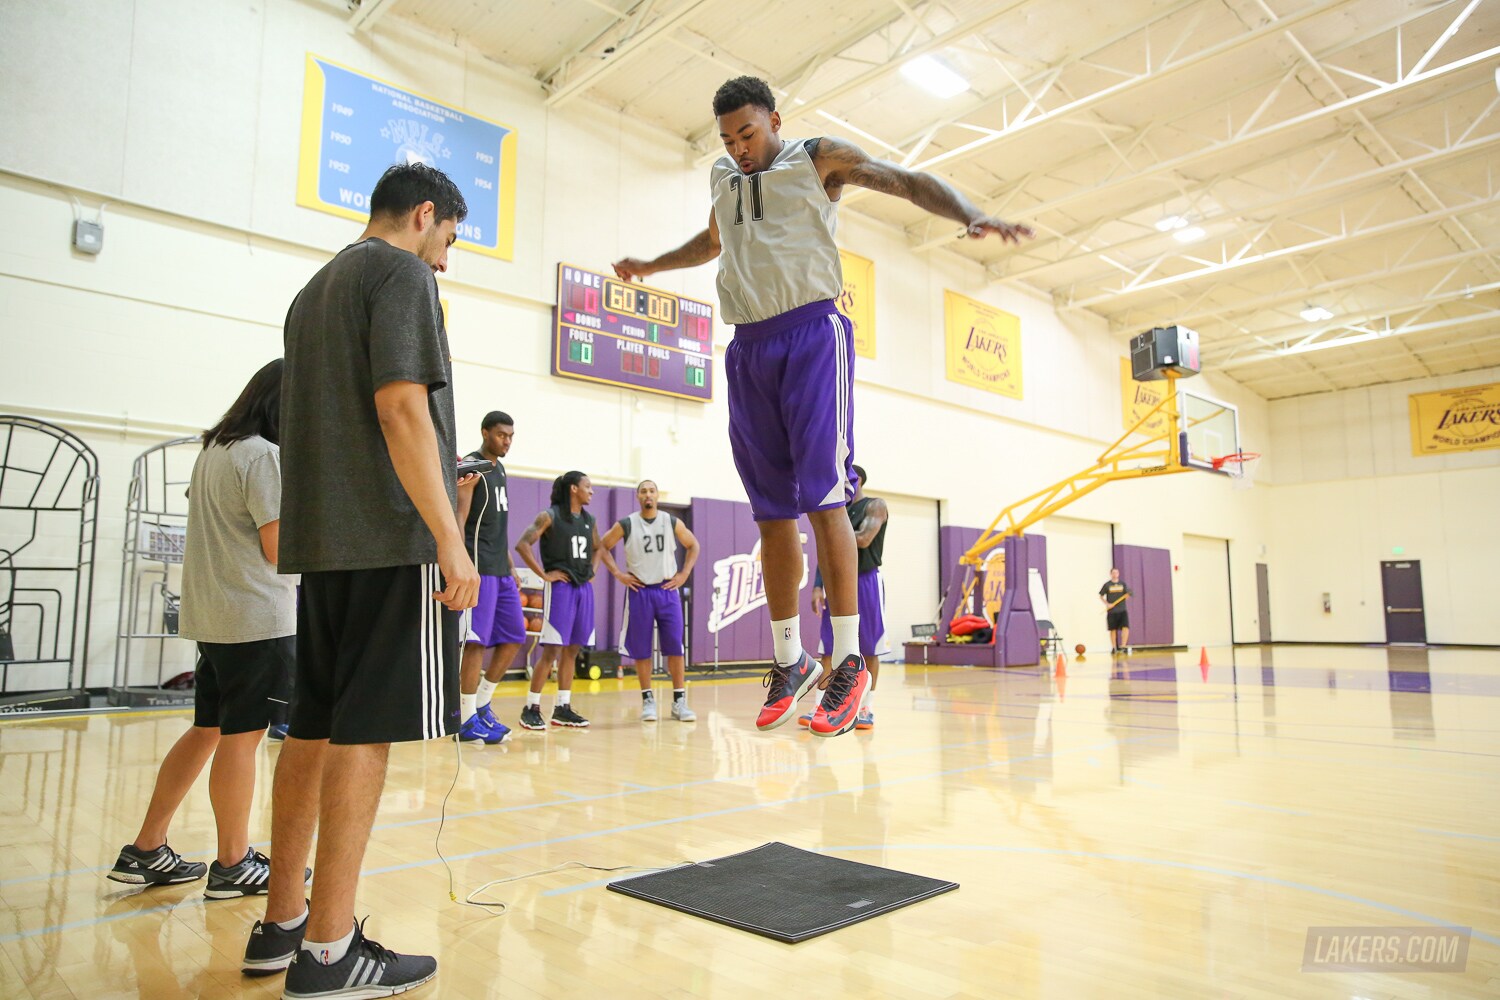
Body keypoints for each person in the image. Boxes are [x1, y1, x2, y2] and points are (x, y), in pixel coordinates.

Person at [613, 76, 1033, 738]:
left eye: (748, 133)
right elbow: (714, 242)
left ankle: (848, 662)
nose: (739, 147)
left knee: (825, 498)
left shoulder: (816, 159)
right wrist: (652, 265)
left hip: (811, 333)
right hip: (747, 347)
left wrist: (967, 214)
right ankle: (791, 660)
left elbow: (904, 180)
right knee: (771, 513)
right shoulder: (724, 178)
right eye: (728, 139)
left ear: (774, 121)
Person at [242, 162, 480, 999]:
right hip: (387, 536)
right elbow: (401, 407)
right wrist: (449, 538)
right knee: (363, 735)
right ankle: (330, 951)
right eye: (448, 238)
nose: (445, 258)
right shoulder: (403, 275)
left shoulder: (312, 291)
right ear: (424, 214)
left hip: (325, 541)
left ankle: (282, 923)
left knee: (311, 729)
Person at [107, 359, 304, 898]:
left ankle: (147, 848)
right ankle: (234, 864)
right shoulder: (264, 456)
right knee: (243, 738)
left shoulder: (216, 450)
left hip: (217, 618)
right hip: (257, 619)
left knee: (208, 730)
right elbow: (278, 548)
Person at [599, 480, 701, 722]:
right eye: (643, 491)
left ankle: (679, 701)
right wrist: (618, 574)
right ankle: (648, 700)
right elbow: (602, 546)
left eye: (652, 491)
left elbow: (693, 545)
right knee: (642, 649)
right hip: (640, 591)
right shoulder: (627, 523)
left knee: (675, 647)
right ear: (638, 497)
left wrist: (684, 574)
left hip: (667, 590)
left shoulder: (670, 521)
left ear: (657, 496)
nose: (648, 494)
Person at [514, 471, 609, 730]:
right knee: (552, 650)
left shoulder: (589, 520)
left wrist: (593, 571)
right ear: (573, 489)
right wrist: (544, 575)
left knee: (573, 649)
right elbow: (523, 544)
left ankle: (562, 708)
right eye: (587, 486)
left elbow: (599, 547)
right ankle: (531, 707)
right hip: (561, 589)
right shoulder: (550, 516)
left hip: (583, 589)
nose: (591, 491)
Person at [453, 411, 523, 745]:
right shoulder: (472, 466)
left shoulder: (501, 468)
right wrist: (458, 561)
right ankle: (465, 719)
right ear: (485, 433)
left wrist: (510, 565)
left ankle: (481, 704)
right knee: (476, 642)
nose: (506, 441)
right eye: (500, 435)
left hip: (501, 569)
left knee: (514, 636)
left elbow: (496, 525)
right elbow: (460, 516)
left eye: (510, 436)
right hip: (478, 566)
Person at [803, 465, 887, 731]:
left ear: (856, 479)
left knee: (870, 646)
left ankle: (865, 708)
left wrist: (832, 533)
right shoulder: (838, 512)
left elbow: (864, 539)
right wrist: (818, 586)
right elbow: (826, 551)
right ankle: (820, 705)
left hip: (866, 580)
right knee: (828, 647)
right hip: (837, 580)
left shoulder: (875, 505)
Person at [1100, 568, 1132, 654]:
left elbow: (1128, 594)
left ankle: (1123, 646)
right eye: (1113, 573)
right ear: (1111, 574)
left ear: (1118, 574)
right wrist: (1107, 604)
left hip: (1122, 610)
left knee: (1125, 627)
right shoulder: (1107, 585)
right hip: (1112, 611)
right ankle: (1114, 648)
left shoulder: (1122, 584)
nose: (1115, 574)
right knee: (1113, 629)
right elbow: (1101, 596)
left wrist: (1127, 596)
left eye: (1116, 573)